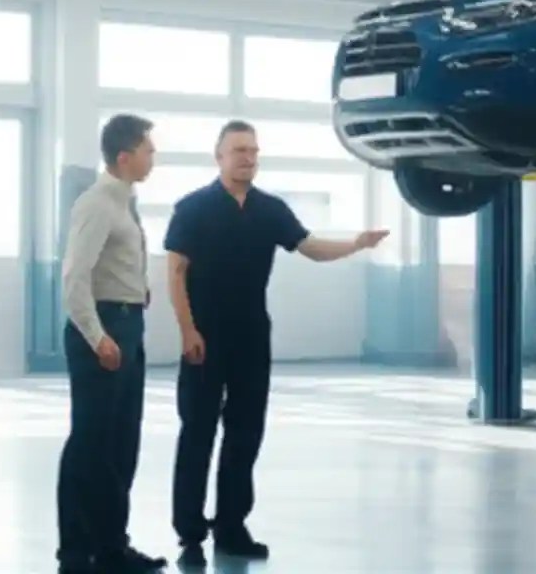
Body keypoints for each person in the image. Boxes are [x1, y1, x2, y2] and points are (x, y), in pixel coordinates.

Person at [164, 120, 388, 568]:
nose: (248, 157)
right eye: (239, 150)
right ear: (219, 156)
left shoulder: (270, 210)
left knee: (245, 433)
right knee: (198, 432)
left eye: (253, 150)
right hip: (205, 337)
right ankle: (189, 530)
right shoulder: (192, 208)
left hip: (251, 336)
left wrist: (356, 244)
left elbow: (308, 247)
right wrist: (188, 331)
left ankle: (232, 526)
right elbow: (175, 271)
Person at [57, 113, 167, 574]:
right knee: (91, 443)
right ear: (125, 157)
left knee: (121, 444)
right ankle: (78, 552)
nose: (153, 155)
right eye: (148, 148)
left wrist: (137, 291)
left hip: (127, 325)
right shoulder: (98, 202)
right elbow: (73, 279)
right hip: (100, 330)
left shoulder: (126, 200)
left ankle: (111, 546)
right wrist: (98, 336)